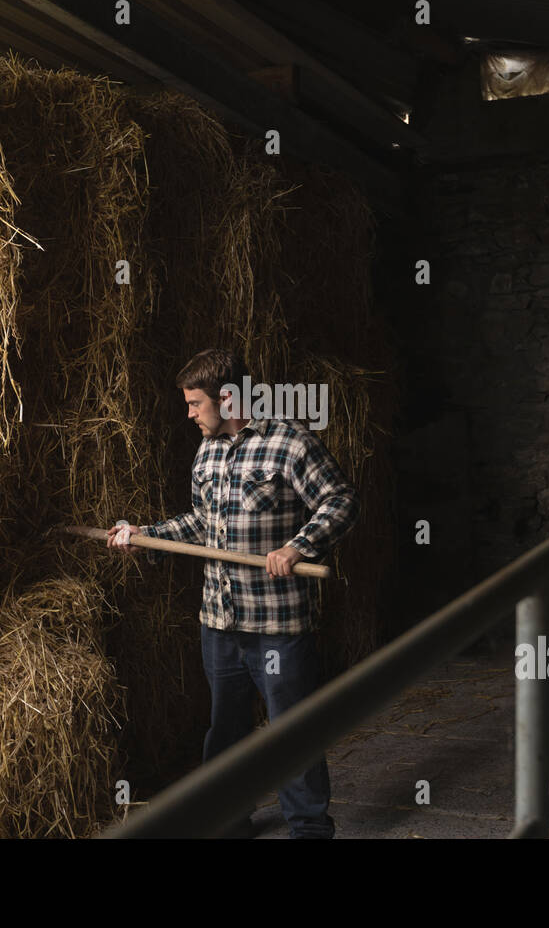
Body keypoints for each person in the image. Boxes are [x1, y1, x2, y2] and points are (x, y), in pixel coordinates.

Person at [108, 348, 361, 838]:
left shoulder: (289, 443)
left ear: (227, 398)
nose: (188, 414)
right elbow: (202, 524)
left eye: (194, 404)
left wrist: (298, 546)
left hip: (277, 624)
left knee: (292, 730)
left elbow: (341, 500)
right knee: (225, 730)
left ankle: (309, 828)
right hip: (219, 621)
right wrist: (146, 536)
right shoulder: (208, 451)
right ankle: (227, 818)